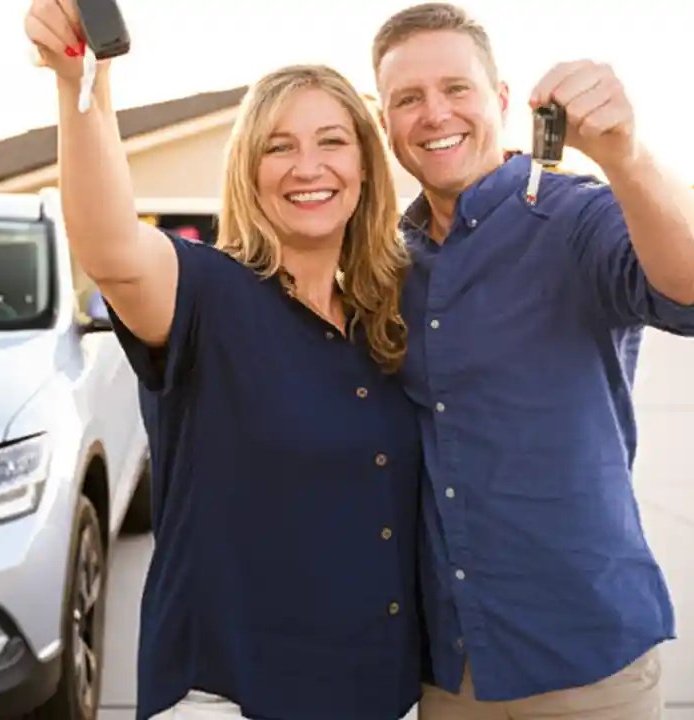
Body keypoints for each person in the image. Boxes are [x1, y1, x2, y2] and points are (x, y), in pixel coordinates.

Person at [24, 2, 427, 718]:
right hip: (228, 694)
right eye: (279, 147)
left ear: (365, 164)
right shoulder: (205, 294)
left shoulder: (387, 318)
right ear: (250, 170)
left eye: (331, 141)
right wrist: (81, 87)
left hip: (374, 690)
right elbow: (111, 248)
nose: (308, 167)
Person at [370, 3, 694, 718]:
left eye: (456, 89)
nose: (433, 113)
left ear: (502, 100)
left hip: (586, 662)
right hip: (449, 670)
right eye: (406, 99)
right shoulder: (391, 261)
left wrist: (626, 153)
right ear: (385, 120)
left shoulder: (578, 216)